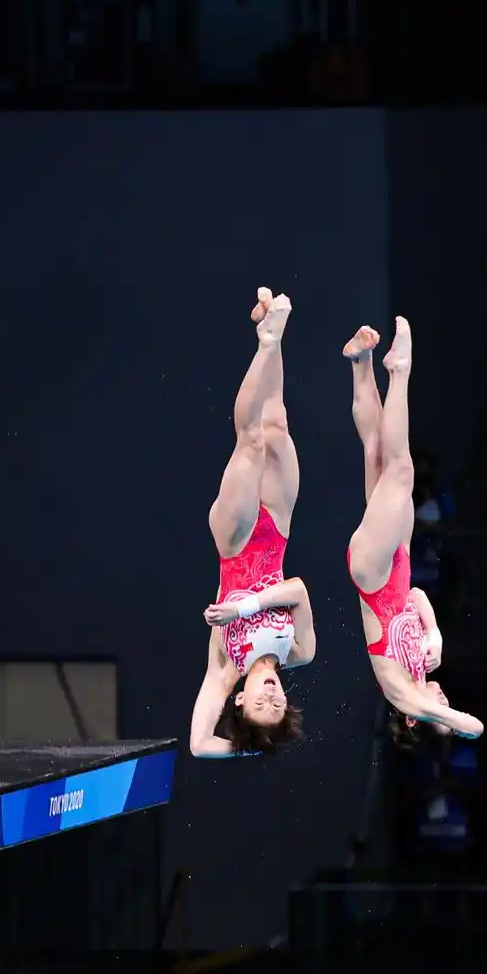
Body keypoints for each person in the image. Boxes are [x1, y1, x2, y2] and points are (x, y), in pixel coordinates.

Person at [343, 318, 483, 744]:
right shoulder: (421, 665)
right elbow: (418, 597)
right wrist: (435, 633)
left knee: (402, 470)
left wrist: (450, 720)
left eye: (439, 711)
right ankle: (360, 361)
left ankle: (398, 370)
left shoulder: (401, 693)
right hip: (396, 570)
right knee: (379, 455)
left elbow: (473, 727)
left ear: (410, 719)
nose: (443, 700)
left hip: (374, 573)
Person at [190, 288, 316, 758]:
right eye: (278, 705)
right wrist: (245, 610)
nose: (271, 697)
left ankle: (267, 342)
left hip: (236, 540)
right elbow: (298, 590)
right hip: (277, 533)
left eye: (260, 706)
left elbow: (200, 746)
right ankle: (272, 330)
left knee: (251, 442)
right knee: (277, 426)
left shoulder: (225, 668)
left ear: (239, 700)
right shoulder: (300, 651)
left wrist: (253, 747)